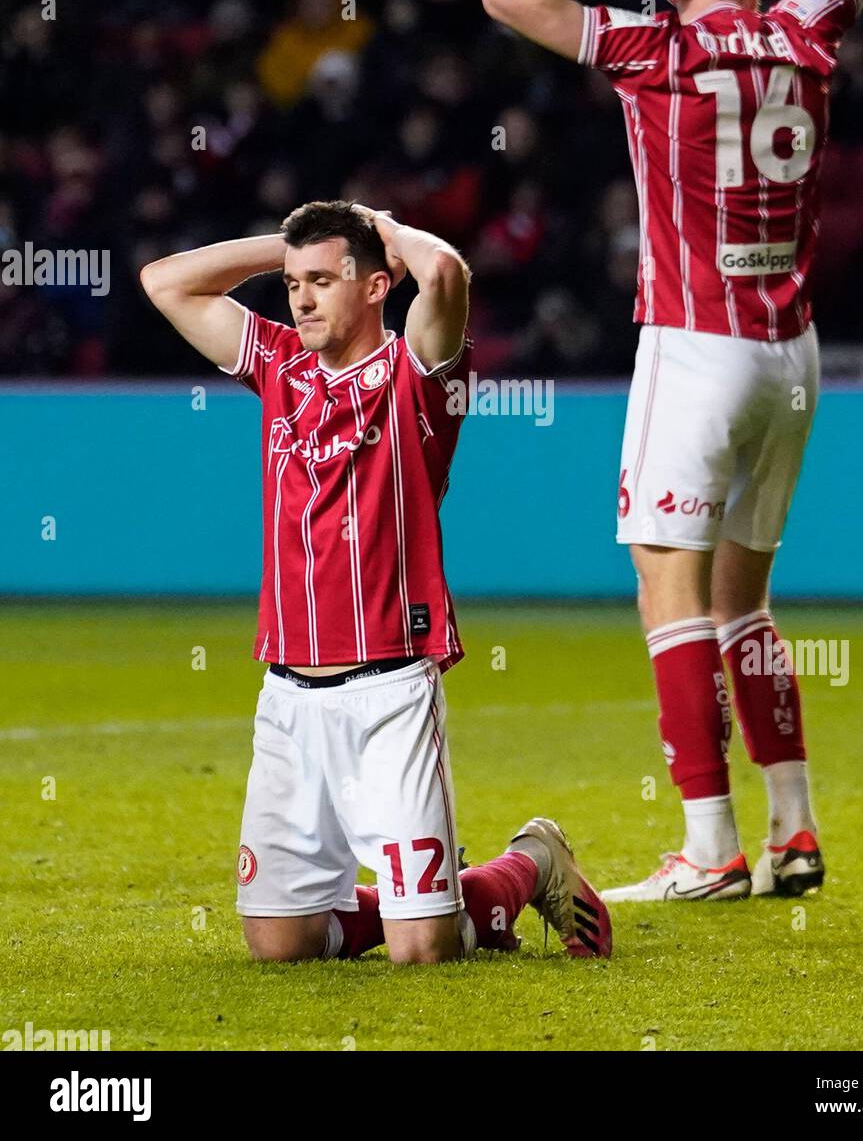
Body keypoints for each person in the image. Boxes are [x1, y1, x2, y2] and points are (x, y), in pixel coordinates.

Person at [481, 0, 863, 900]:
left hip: (695, 347)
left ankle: (708, 844)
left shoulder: (652, 52)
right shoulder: (804, 32)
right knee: (744, 601)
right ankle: (792, 830)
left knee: (669, 591)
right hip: (791, 355)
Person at [140, 199, 611, 958]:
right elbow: (166, 283)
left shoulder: (414, 375)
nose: (300, 297)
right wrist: (292, 246)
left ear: (376, 287)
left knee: (422, 952)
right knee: (279, 947)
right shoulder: (279, 364)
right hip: (288, 697)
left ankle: (531, 864)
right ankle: (407, 898)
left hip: (387, 689)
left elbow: (448, 273)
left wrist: (380, 230)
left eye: (323, 280)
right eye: (294, 283)